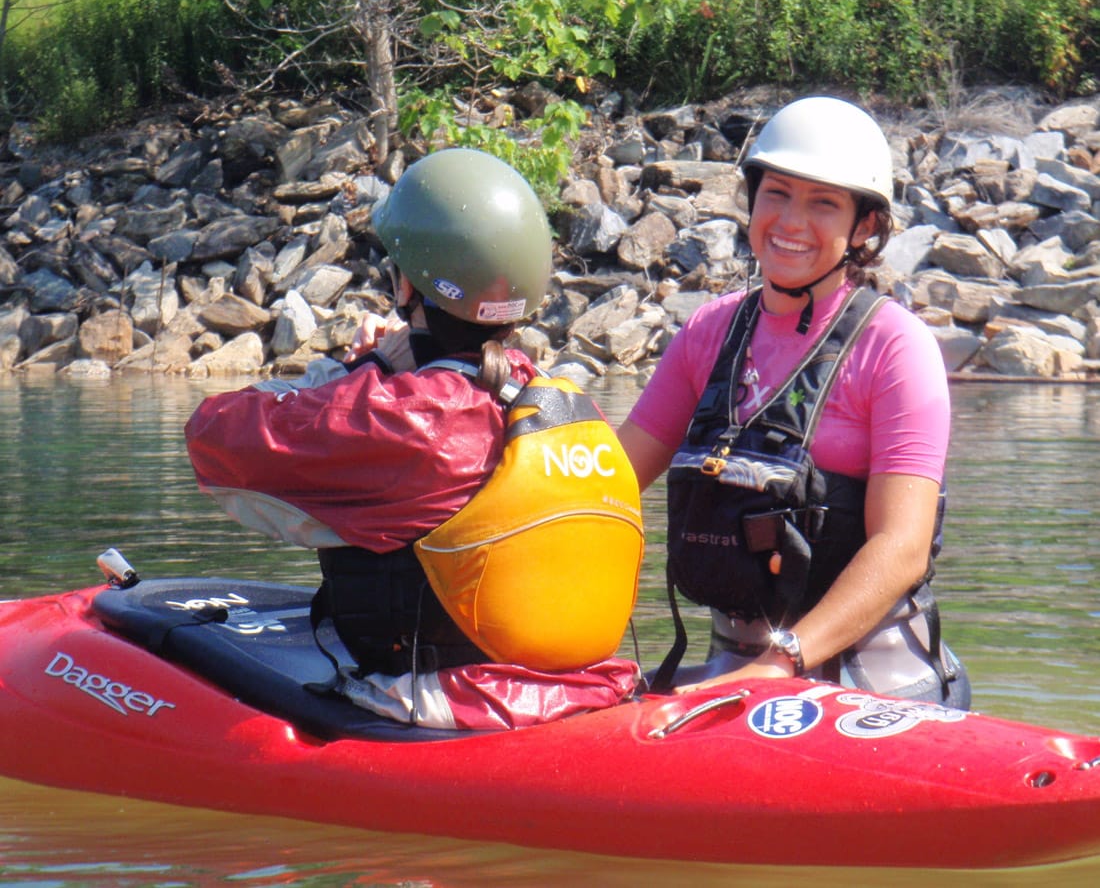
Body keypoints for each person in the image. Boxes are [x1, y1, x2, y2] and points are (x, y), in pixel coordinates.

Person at [186, 148, 642, 687]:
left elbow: (214, 435)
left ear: (406, 287)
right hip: (572, 686)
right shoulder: (562, 402)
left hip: (444, 704)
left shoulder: (406, 419)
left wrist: (362, 371)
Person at [619, 96, 970, 708]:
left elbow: (903, 547)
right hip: (732, 675)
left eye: (823, 204)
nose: (790, 222)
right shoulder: (708, 333)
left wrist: (780, 665)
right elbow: (608, 481)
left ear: (864, 227)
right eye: (776, 193)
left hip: (876, 690)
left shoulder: (896, 348)